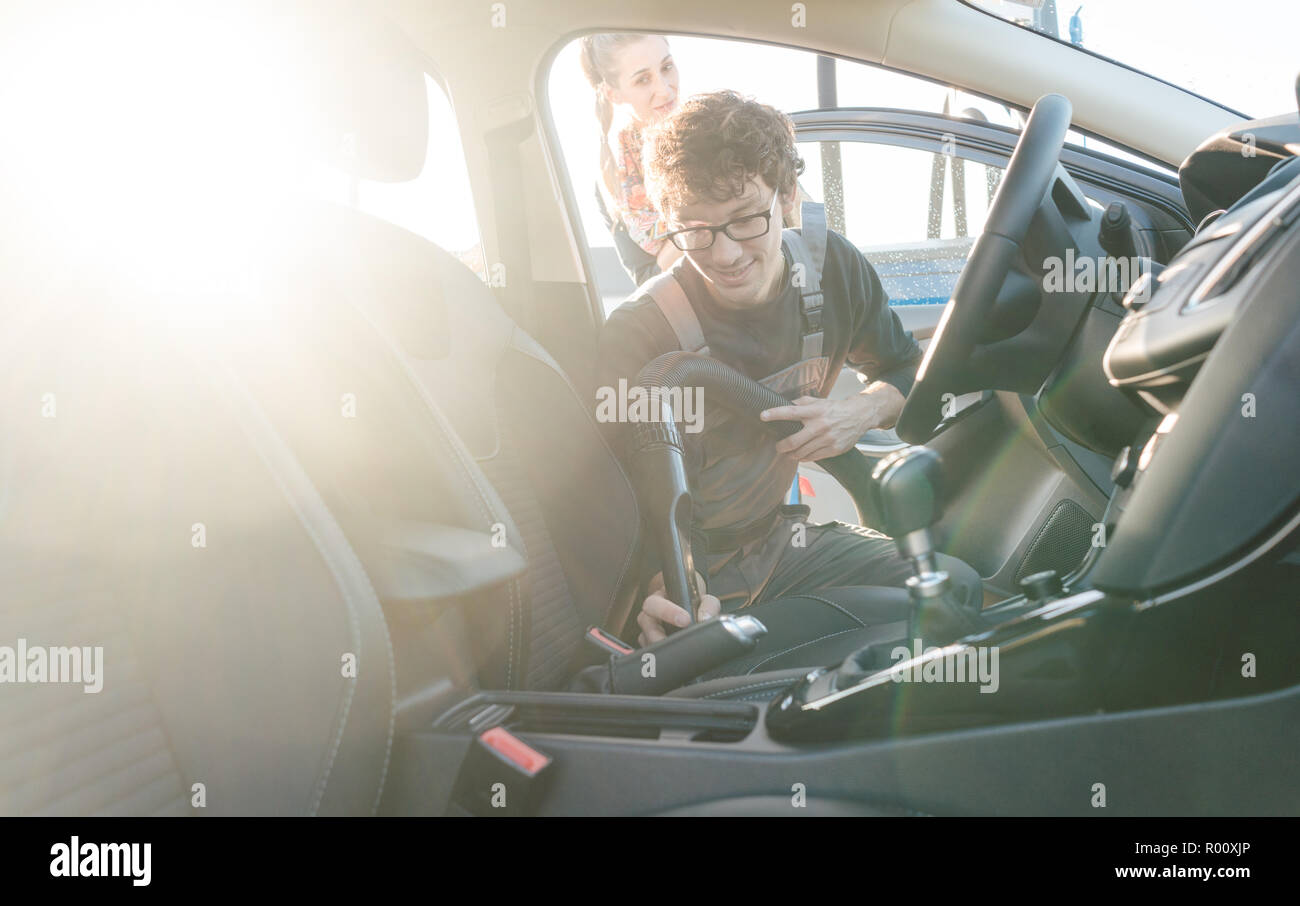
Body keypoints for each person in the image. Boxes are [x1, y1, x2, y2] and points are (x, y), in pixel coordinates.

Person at [593, 90, 984, 645]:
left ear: (788, 198)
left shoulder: (834, 271)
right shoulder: (642, 335)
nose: (723, 255)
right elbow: (615, 508)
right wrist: (666, 590)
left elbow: (904, 369)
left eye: (746, 220)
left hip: (786, 544)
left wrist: (861, 411)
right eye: (694, 231)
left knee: (956, 590)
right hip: (697, 580)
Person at [579, 33, 684, 286]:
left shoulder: (718, 129)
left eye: (667, 67)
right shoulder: (613, 180)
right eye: (643, 80)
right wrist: (697, 225)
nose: (664, 89)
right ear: (613, 93)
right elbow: (647, 280)